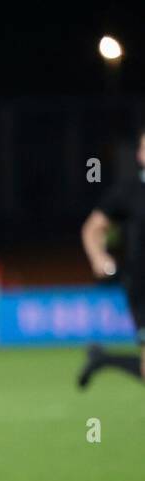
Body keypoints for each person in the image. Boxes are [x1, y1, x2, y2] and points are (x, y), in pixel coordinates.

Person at [78, 127, 145, 388]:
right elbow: (92, 228)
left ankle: (102, 359)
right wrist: (99, 258)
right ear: (140, 155)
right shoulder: (128, 192)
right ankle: (102, 359)